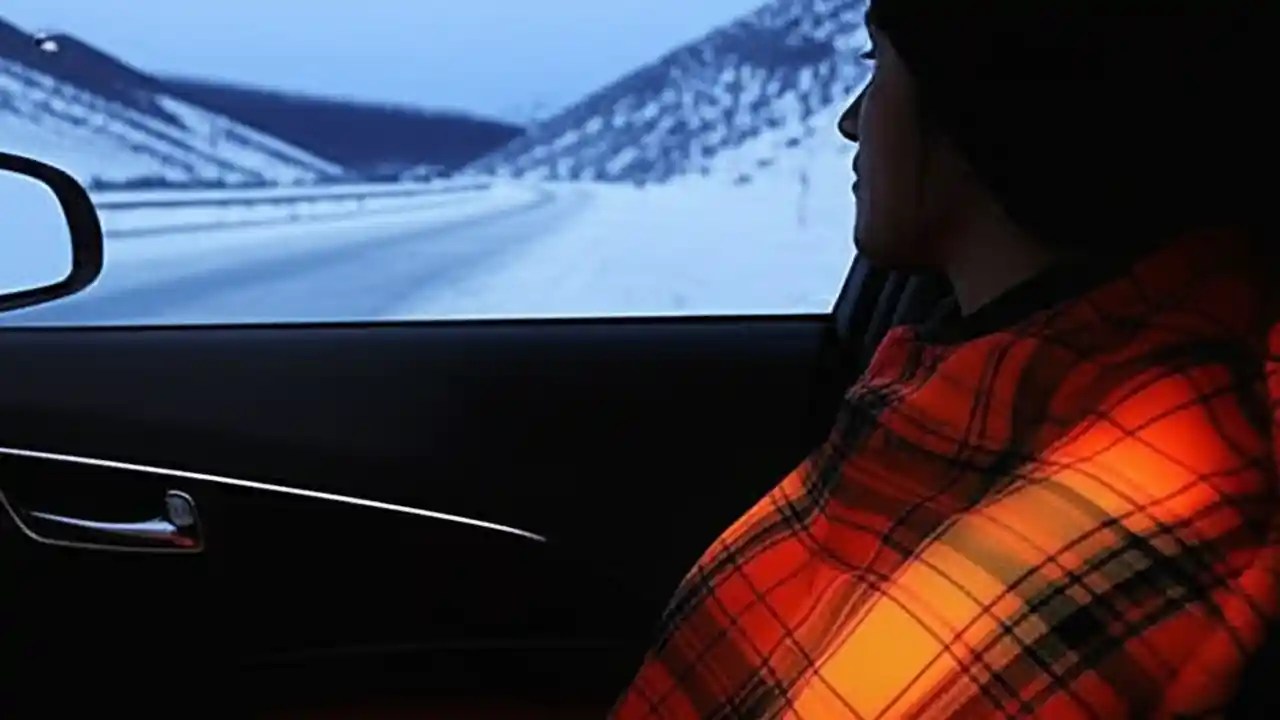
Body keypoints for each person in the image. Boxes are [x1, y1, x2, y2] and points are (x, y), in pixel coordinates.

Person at [611, 0, 1277, 717]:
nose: (850, 120)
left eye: (878, 65)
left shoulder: (1141, 482)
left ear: (976, 91)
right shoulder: (1004, 377)